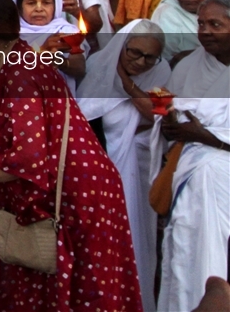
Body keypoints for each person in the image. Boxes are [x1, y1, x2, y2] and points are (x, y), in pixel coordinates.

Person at [0, 0, 143, 311]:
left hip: (76, 195)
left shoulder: (20, 75)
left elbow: (27, 158)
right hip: (52, 191)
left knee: (82, 291)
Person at [76, 19, 167, 312]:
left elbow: (158, 115)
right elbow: (84, 121)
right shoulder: (99, 66)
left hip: (138, 172)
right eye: (134, 53)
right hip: (100, 172)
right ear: (122, 46)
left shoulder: (161, 72)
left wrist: (126, 83)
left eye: (149, 57)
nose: (142, 62)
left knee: (136, 236)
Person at [153, 0, 230, 311]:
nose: (206, 30)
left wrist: (207, 136)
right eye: (201, 23)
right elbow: (168, 116)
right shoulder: (186, 67)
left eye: (216, 24)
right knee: (186, 253)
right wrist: (170, 126)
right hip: (188, 177)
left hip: (222, 179)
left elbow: (202, 130)